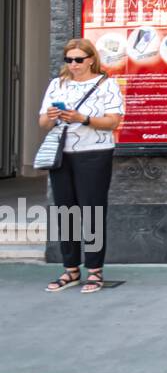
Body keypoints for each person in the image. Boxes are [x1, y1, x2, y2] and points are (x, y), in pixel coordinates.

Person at [39, 38, 125, 294]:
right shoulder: (57, 85)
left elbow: (113, 122)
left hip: (95, 154)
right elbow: (43, 123)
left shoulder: (106, 84)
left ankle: (95, 271)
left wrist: (82, 119)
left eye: (78, 59)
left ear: (90, 59)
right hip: (62, 155)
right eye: (69, 60)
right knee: (65, 210)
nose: (73, 65)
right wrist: (52, 117)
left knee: (92, 211)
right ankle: (71, 269)